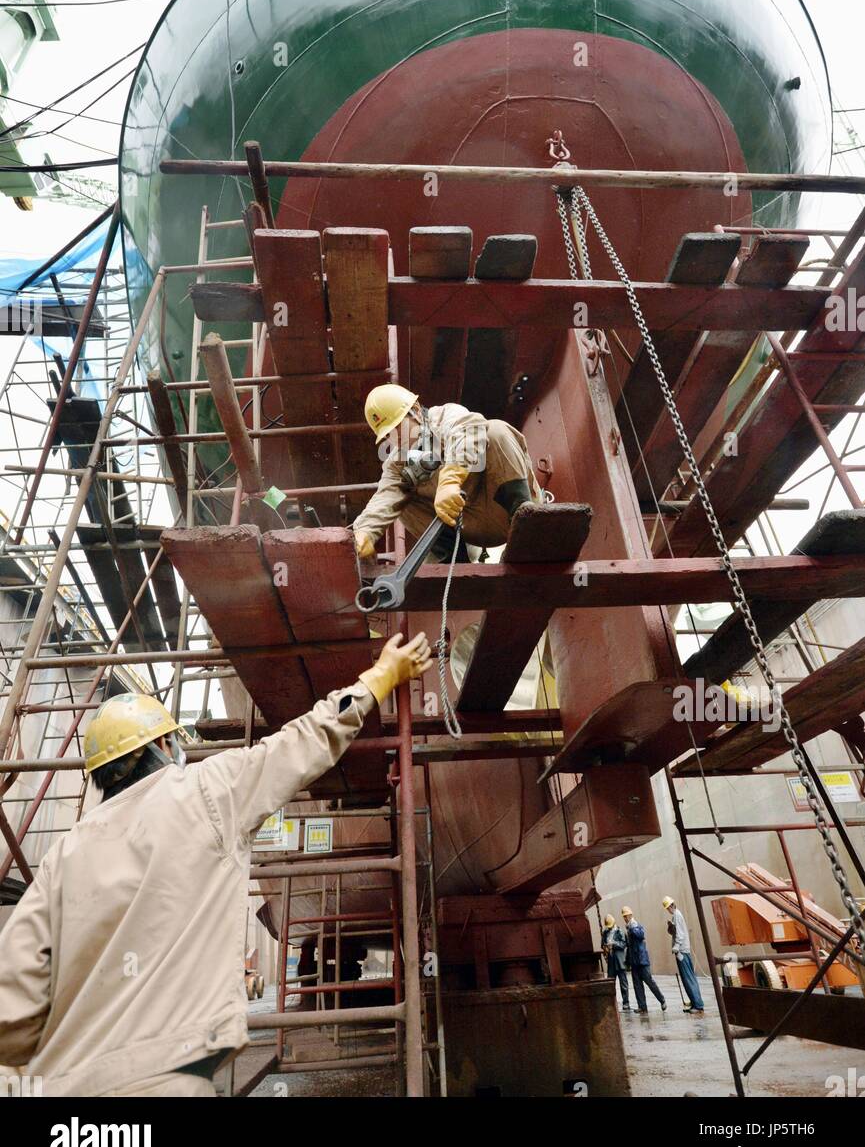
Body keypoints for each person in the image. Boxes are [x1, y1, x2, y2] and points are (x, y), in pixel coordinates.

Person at [0, 631, 432, 1097]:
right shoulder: (206, 793)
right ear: (163, 746)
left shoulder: (63, 855)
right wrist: (379, 678)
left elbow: (12, 996)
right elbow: (297, 746)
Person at [352, 384, 541, 562]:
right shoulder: (397, 463)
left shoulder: (445, 416)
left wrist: (450, 480)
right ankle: (452, 562)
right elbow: (385, 496)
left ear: (416, 411)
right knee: (402, 497)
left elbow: (469, 430)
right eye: (387, 435)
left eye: (397, 427)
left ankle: (524, 517)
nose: (395, 438)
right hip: (474, 528)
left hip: (503, 508)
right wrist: (364, 532)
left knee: (496, 430)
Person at [662, 895, 705, 1016]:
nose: (668, 910)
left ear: (671, 905)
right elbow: (675, 932)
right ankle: (694, 1002)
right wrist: (670, 927)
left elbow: (680, 934)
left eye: (668, 907)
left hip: (682, 951)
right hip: (682, 951)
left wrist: (677, 946)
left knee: (689, 978)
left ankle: (698, 1005)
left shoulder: (677, 915)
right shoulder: (675, 916)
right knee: (687, 979)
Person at [622, 905, 666, 1014]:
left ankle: (662, 999)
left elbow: (640, 935)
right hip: (635, 962)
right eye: (624, 916)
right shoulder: (628, 929)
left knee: (649, 982)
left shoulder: (636, 926)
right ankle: (642, 1007)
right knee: (637, 986)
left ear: (631, 915)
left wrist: (631, 928)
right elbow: (629, 947)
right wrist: (628, 962)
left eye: (627, 916)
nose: (625, 918)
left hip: (642, 961)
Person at [601, 914, 630, 1010]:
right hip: (611, 961)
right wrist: (605, 947)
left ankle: (626, 1002)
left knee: (623, 983)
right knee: (610, 982)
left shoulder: (620, 931)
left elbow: (623, 944)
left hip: (619, 961)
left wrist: (613, 944)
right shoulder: (605, 932)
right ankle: (611, 1002)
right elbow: (602, 944)